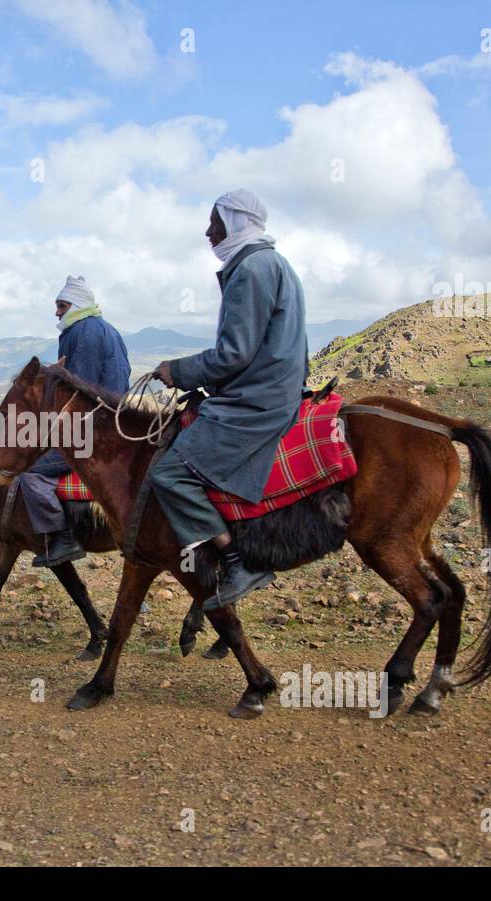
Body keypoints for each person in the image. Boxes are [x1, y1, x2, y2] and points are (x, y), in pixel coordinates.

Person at [148, 190, 308, 609]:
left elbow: (234, 353)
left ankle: (239, 561)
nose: (208, 231)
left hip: (257, 401)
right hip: (269, 389)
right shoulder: (273, 264)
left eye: (214, 222)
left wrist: (176, 371)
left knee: (169, 474)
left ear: (235, 222)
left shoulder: (252, 269)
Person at [15, 275, 130, 567]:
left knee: (31, 472)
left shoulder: (83, 331)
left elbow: (81, 390)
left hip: (93, 431)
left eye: (61, 305)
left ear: (76, 305)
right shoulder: (107, 329)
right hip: (114, 422)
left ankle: (62, 538)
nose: (57, 312)